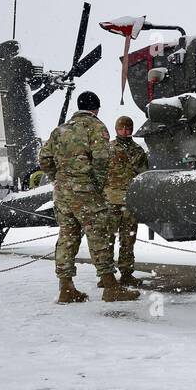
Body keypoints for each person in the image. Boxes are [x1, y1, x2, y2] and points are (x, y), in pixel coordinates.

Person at [38, 91, 138, 304]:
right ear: (96, 108)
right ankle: (110, 286)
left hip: (62, 193)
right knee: (98, 235)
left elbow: (44, 158)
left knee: (67, 236)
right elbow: (102, 160)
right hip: (86, 191)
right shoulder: (96, 127)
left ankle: (66, 288)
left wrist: (58, 178)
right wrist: (96, 185)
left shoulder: (60, 130)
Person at [105, 115, 149, 287]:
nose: (125, 131)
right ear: (116, 129)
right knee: (107, 239)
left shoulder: (138, 151)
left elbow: (143, 175)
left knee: (128, 240)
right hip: (110, 201)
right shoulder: (108, 149)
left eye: (128, 128)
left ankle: (126, 273)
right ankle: (106, 275)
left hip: (129, 202)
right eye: (122, 128)